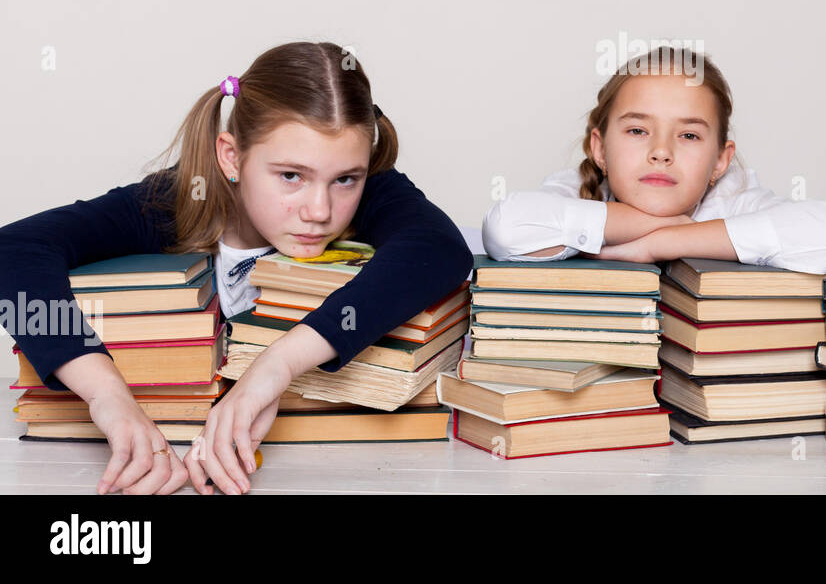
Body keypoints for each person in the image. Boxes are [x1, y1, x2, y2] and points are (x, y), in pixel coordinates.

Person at [0, 41, 472, 495]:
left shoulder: (372, 194)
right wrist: (107, 397)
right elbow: (13, 251)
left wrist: (278, 365)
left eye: (345, 179)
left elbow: (440, 250)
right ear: (232, 156)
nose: (320, 210)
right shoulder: (174, 203)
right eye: (291, 176)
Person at [482, 45, 826, 274]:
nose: (661, 151)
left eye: (689, 135)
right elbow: (505, 229)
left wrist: (663, 242)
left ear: (719, 162)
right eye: (637, 130)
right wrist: (641, 221)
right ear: (599, 149)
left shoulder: (734, 199)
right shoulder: (581, 190)